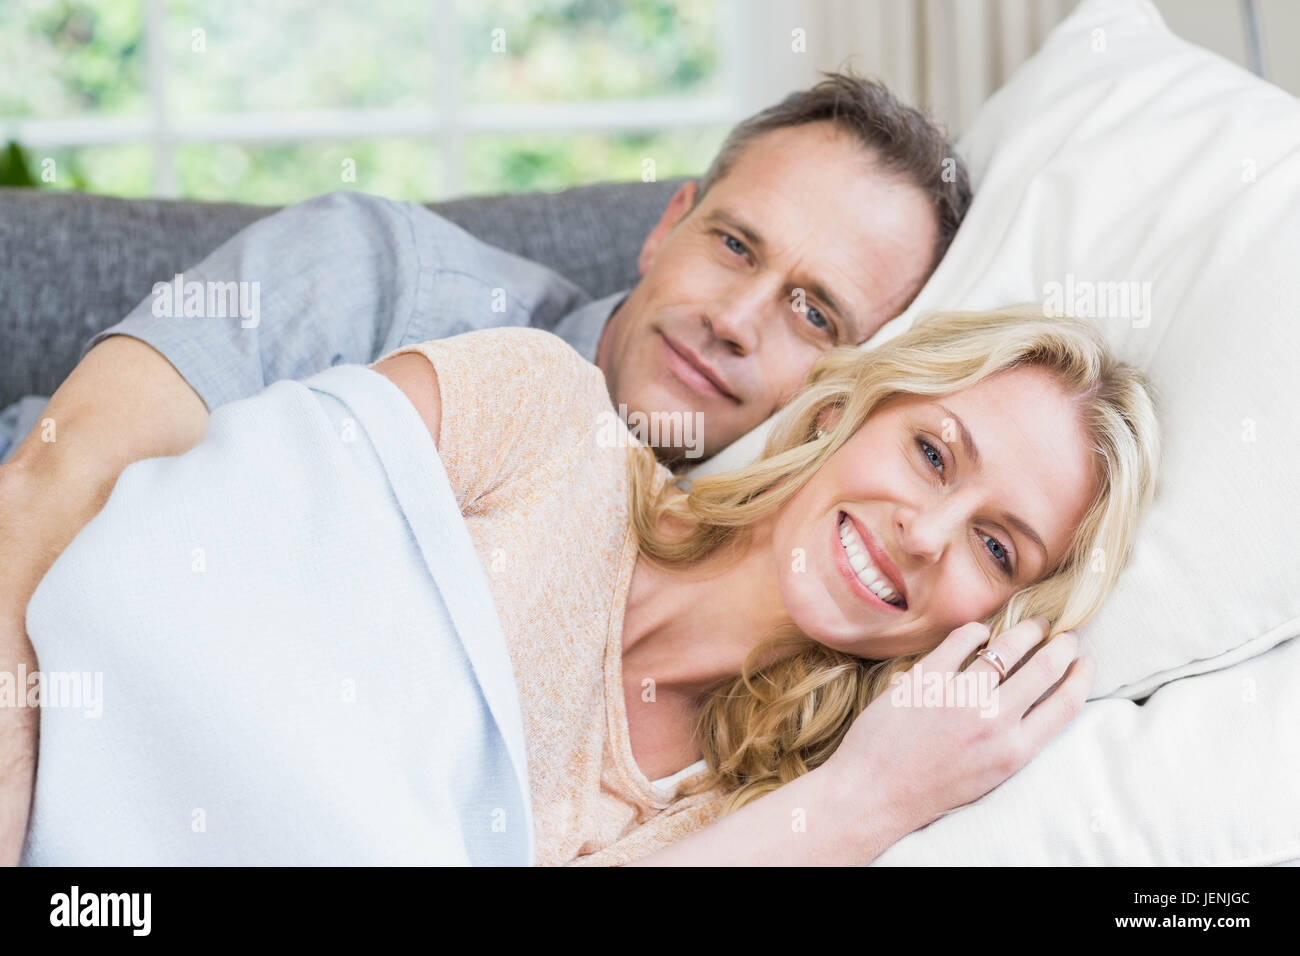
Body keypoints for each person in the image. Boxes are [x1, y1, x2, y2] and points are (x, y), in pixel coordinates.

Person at [0, 71, 971, 859]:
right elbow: (56, 481)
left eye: (814, 312)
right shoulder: (388, 277)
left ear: (854, 390)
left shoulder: (727, 653)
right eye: (731, 243)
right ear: (665, 224)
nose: (735, 319)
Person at [364, 303, 1160, 865]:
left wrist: (867, 800)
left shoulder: (772, 818)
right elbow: (265, 511)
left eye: (993, 546)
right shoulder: (541, 418)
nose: (922, 535)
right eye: (931, 455)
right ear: (838, 413)